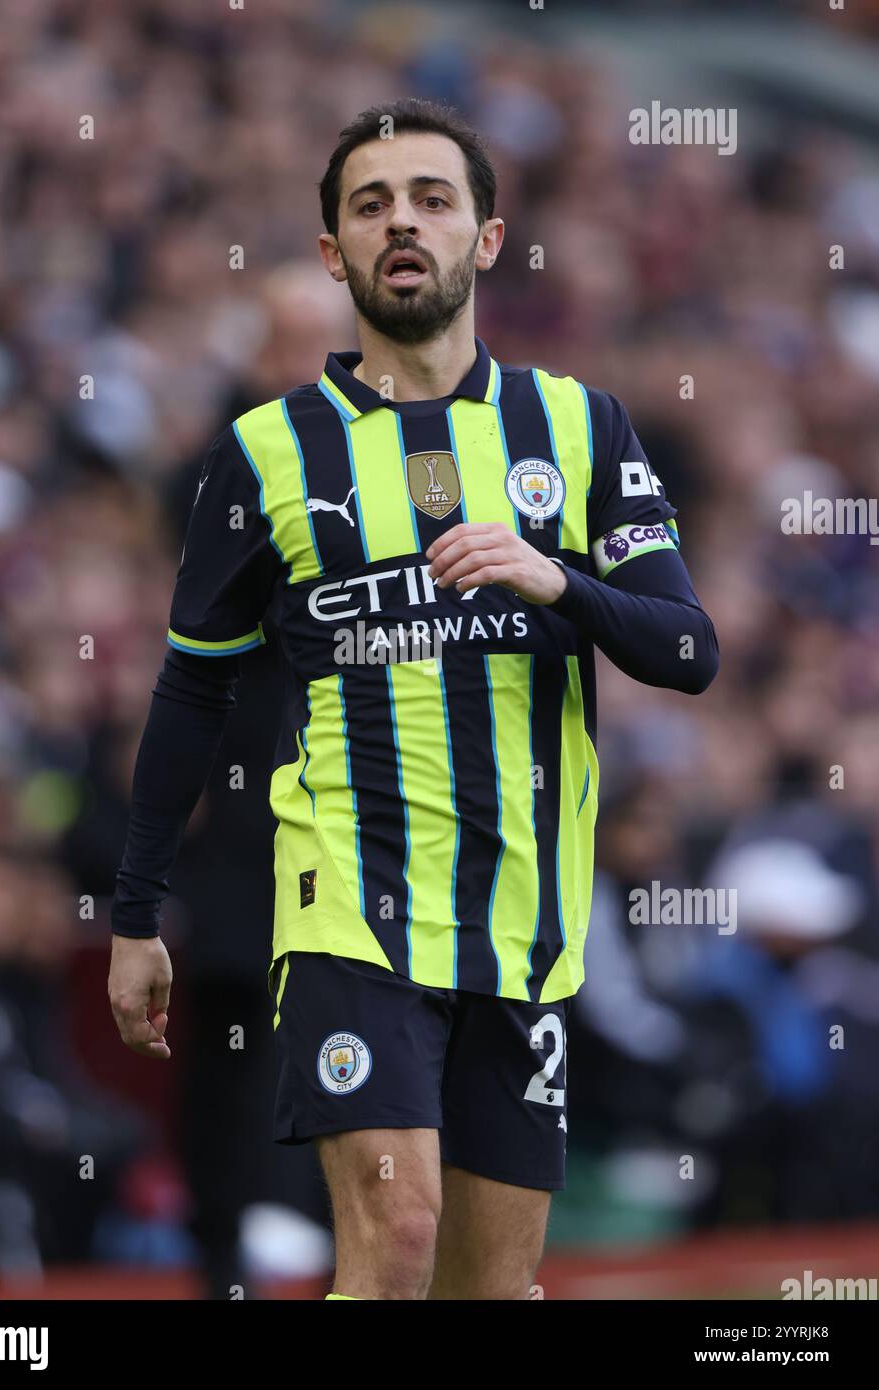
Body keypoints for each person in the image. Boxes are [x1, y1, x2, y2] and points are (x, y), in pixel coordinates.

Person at [107, 98, 719, 1301]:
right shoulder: (266, 454)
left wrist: (562, 582)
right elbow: (191, 684)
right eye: (371, 204)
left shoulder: (577, 428)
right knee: (392, 1246)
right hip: (349, 905)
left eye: (433, 200)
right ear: (333, 252)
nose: (404, 224)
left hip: (522, 919)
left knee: (489, 1287)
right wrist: (136, 911)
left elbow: (687, 650)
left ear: (486, 238)